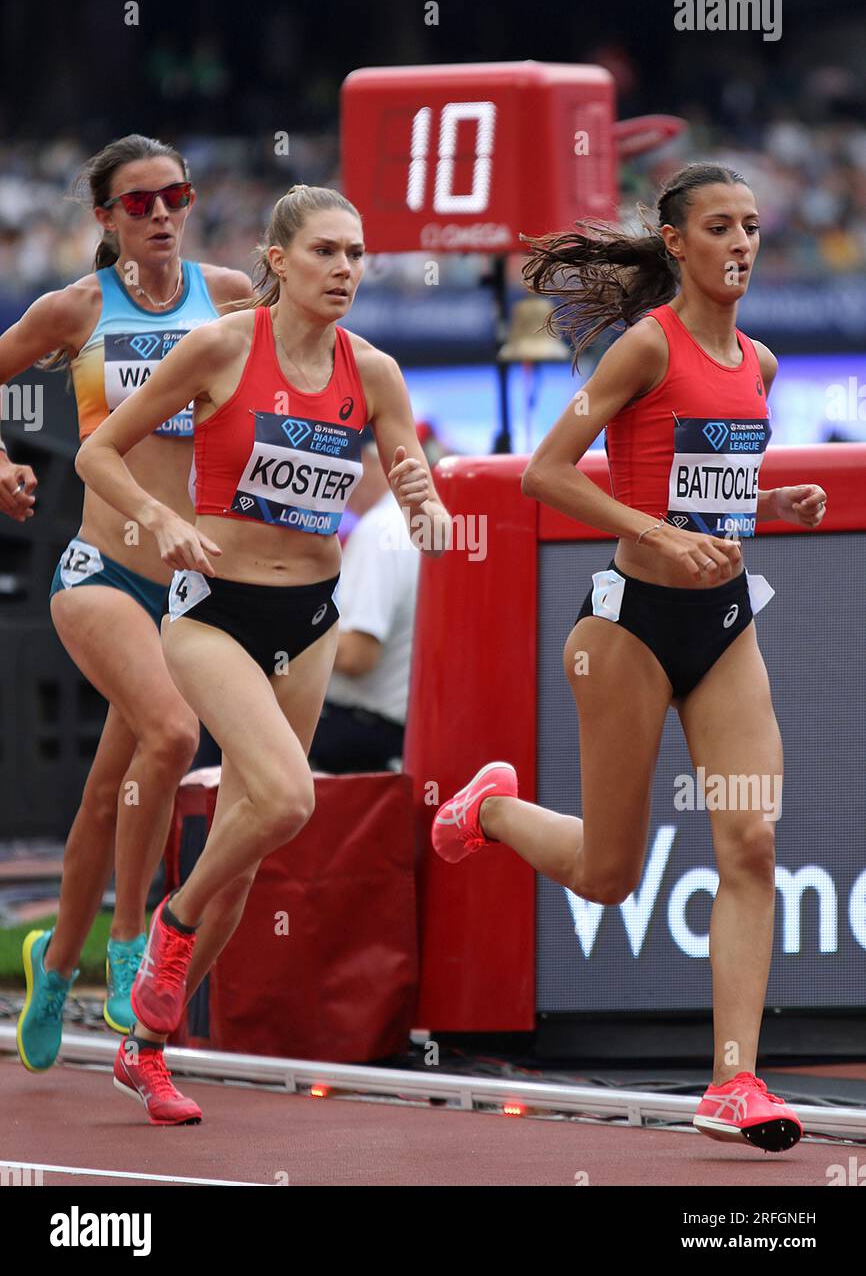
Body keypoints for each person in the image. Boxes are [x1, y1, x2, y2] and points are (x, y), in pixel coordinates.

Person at [432, 163, 827, 1154]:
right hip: (625, 630)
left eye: (749, 228)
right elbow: (542, 474)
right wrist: (651, 537)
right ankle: (489, 807)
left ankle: (732, 1080)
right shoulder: (642, 350)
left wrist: (773, 505)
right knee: (608, 873)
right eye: (718, 228)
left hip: (724, 622)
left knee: (750, 844)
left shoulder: (761, 363)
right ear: (674, 241)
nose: (739, 244)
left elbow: (714, 488)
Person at [75, 184, 451, 1124]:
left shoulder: (377, 373)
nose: (348, 271)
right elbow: (98, 455)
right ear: (278, 260)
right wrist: (160, 516)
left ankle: (145, 1051)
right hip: (210, 614)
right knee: (288, 798)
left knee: (247, 863)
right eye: (327, 252)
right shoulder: (220, 347)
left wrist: (428, 506)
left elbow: (412, 478)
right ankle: (169, 926)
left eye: (358, 254)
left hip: (311, 623)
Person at [0, 134, 250, 1081]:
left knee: (116, 787)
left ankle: (53, 961)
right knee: (175, 735)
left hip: (194, 585)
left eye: (173, 196)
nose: (158, 214)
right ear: (103, 217)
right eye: (136, 202)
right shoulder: (74, 309)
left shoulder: (228, 296)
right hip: (101, 571)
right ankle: (133, 935)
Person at [310, 424, 420, 773]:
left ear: (367, 463)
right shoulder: (409, 525)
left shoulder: (378, 532)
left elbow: (358, 654)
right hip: (395, 730)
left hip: (360, 734)